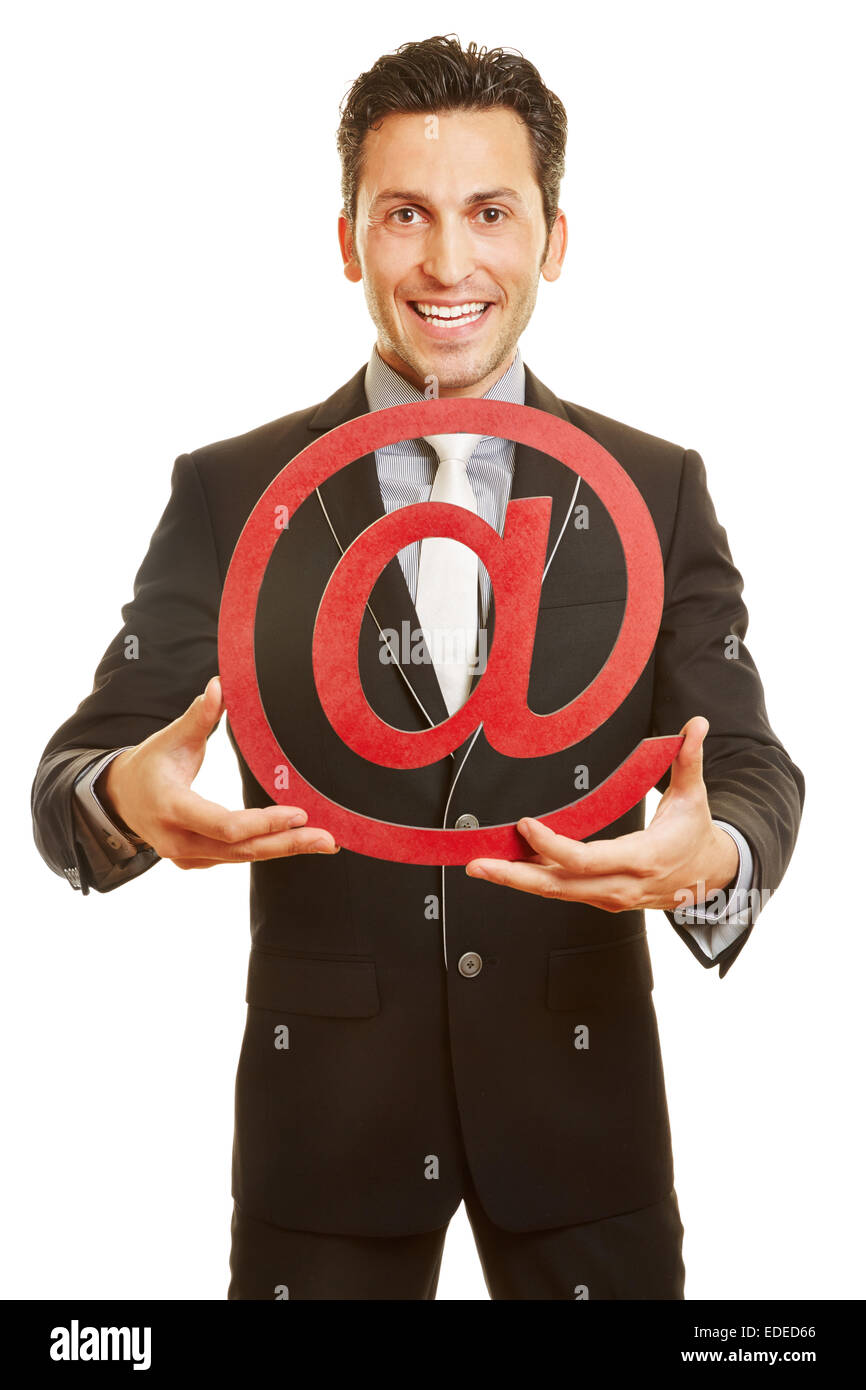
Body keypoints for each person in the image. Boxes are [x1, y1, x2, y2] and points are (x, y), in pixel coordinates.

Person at [31, 35, 804, 1300]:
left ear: (552, 237)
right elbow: (80, 765)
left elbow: (751, 766)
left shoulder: (654, 492)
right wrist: (126, 798)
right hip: (324, 1139)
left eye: (489, 213)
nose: (448, 263)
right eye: (405, 216)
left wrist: (708, 856)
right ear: (347, 238)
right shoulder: (232, 495)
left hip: (580, 1128)